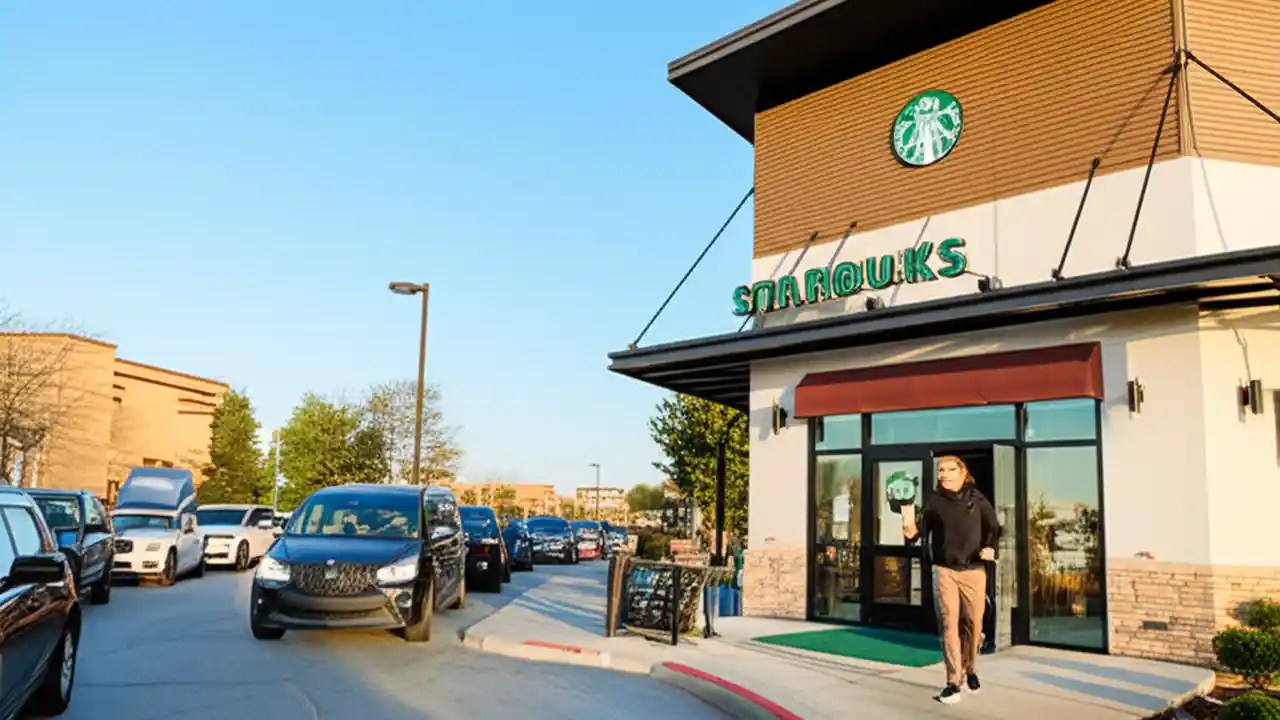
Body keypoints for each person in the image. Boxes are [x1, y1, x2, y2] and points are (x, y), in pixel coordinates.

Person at [901, 455, 999, 705]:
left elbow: (993, 527)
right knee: (949, 625)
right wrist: (906, 512)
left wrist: (990, 548)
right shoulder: (933, 502)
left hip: (974, 570)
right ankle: (953, 682)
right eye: (940, 470)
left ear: (962, 472)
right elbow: (914, 535)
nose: (943, 474)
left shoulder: (976, 499)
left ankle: (971, 669)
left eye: (949, 469)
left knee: (973, 624)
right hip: (944, 570)